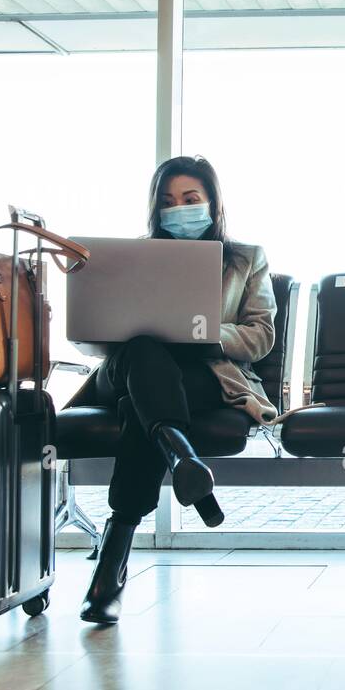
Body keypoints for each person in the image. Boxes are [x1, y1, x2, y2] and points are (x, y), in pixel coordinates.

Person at [69, 155, 280, 624]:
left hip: (200, 375)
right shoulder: (131, 258)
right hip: (125, 366)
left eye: (190, 199)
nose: (178, 209)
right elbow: (97, 339)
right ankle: (181, 457)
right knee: (144, 350)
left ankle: (114, 557)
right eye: (168, 202)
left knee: (137, 406)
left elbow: (261, 336)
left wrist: (203, 332)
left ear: (212, 203)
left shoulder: (246, 258)